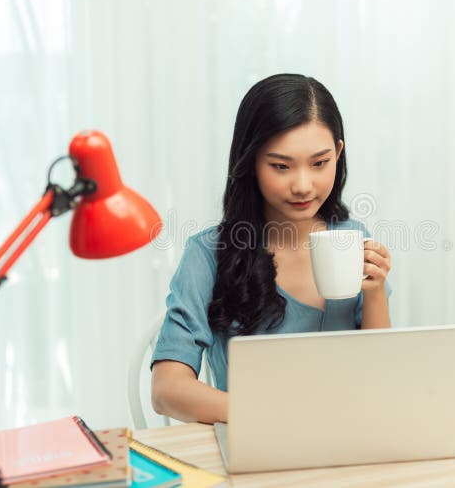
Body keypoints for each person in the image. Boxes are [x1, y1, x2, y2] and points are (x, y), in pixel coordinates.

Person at [150, 73, 392, 423]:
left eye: (320, 163)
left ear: (338, 154)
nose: (303, 185)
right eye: (281, 166)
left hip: (348, 436)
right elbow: (166, 389)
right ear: (251, 162)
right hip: (256, 439)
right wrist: (276, 417)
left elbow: (379, 374)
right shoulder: (208, 254)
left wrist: (375, 293)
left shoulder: (353, 237)